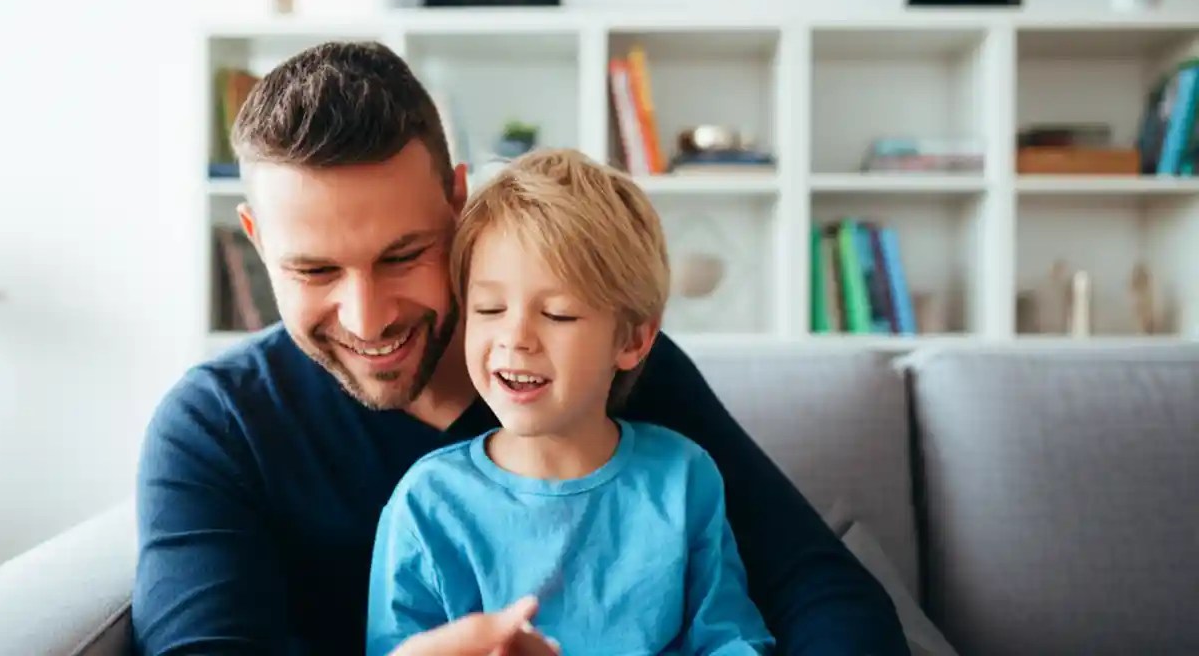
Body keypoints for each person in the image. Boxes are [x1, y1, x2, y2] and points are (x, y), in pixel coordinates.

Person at [131, 40, 911, 656]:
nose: (365, 317)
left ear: (457, 203)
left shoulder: (593, 374)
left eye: (404, 255)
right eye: (314, 269)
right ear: (258, 243)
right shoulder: (215, 429)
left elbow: (817, 586)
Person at [366, 149, 776, 655]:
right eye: (489, 308)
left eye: (558, 314)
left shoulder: (683, 478)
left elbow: (731, 639)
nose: (515, 338)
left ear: (631, 341)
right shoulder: (428, 502)